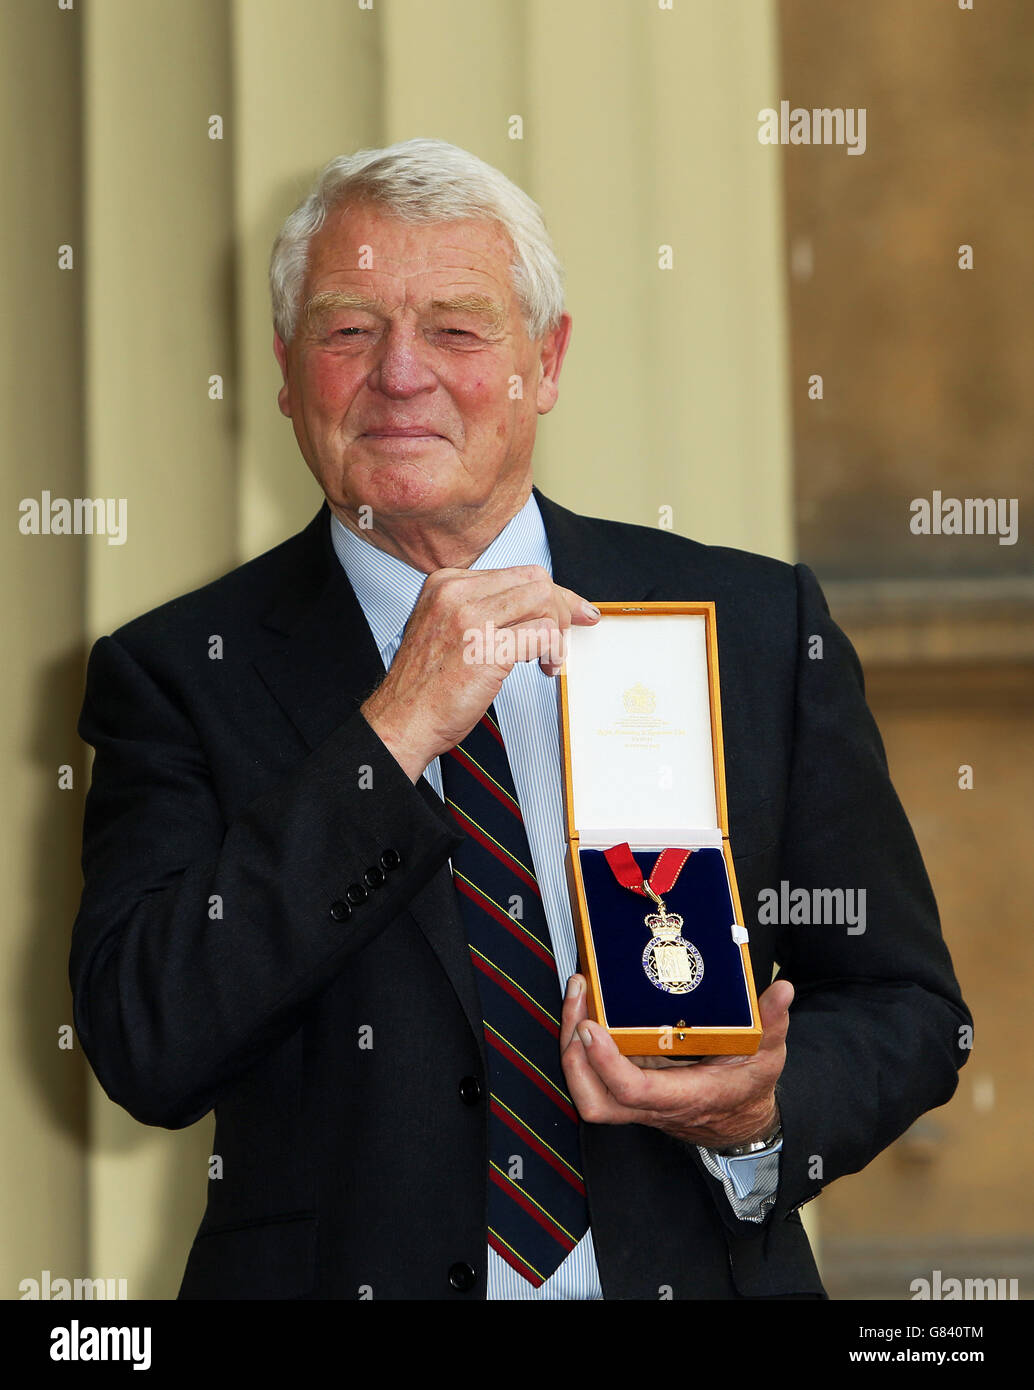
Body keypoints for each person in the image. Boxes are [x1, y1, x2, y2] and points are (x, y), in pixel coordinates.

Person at [70, 138, 969, 1300]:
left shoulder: (747, 623)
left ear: (543, 361)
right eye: (349, 330)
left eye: (454, 328)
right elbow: (147, 1041)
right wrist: (390, 732)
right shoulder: (179, 673)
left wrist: (756, 1114)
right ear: (288, 374)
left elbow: (905, 1007)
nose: (401, 373)